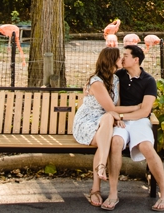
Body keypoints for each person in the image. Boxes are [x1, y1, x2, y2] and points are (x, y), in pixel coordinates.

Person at [107, 44, 164, 211]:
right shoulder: (118, 76)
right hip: (121, 120)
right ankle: (113, 193)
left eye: (126, 56)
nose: (122, 58)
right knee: (115, 142)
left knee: (146, 146)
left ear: (136, 60)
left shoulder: (149, 81)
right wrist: (118, 118)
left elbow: (145, 110)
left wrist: (122, 116)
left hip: (139, 120)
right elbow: (109, 101)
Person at [72, 46, 124, 209]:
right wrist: (138, 108)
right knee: (108, 120)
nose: (121, 59)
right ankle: (101, 166)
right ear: (111, 61)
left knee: (108, 123)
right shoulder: (96, 82)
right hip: (87, 122)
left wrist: (117, 116)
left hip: (104, 122)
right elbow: (111, 108)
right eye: (118, 57)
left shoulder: (115, 80)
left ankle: (96, 188)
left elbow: (117, 106)